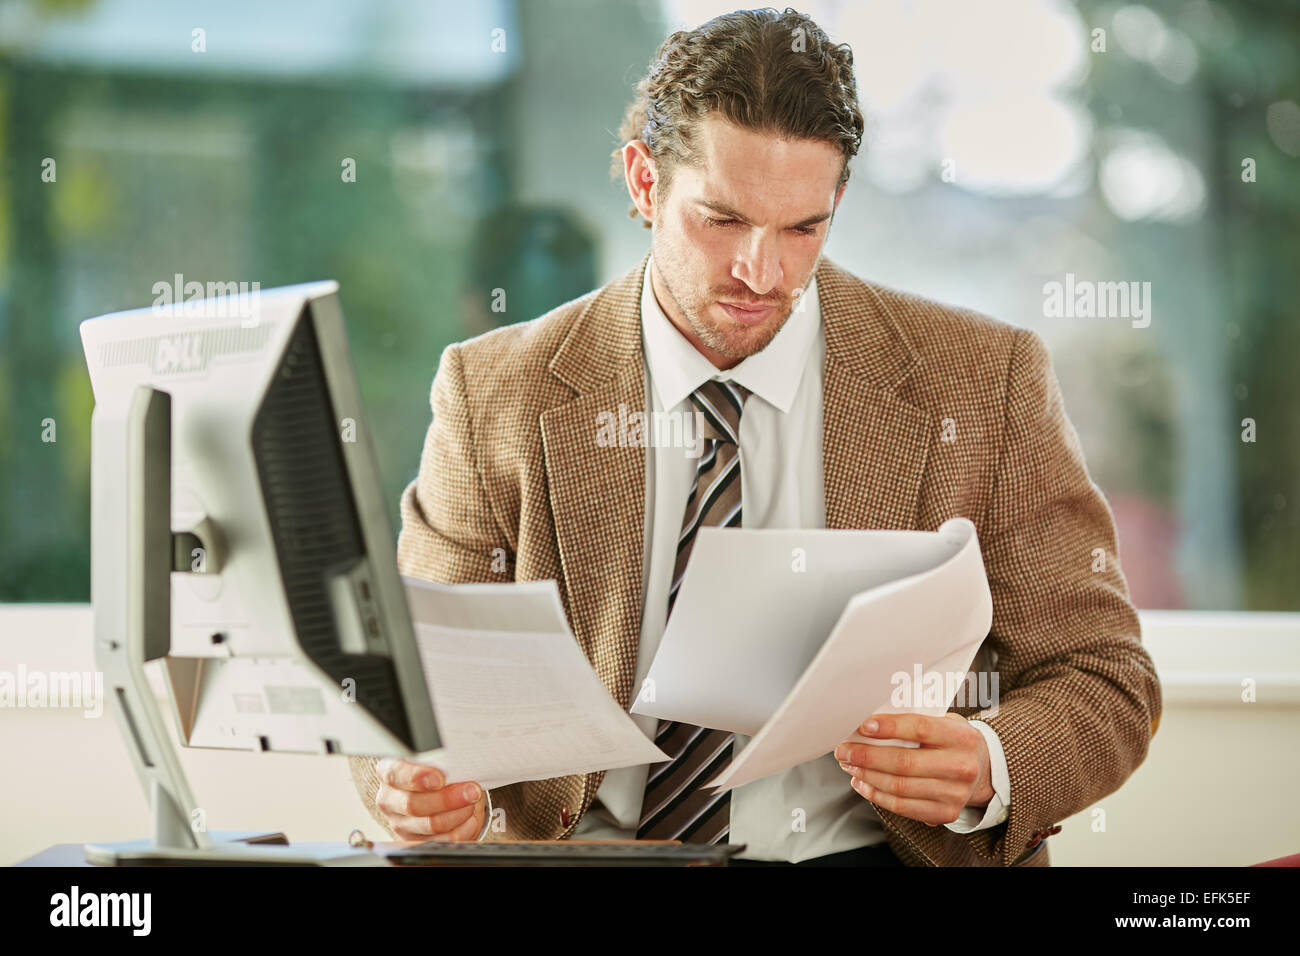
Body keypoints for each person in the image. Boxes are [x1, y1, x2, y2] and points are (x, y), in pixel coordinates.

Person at [348, 7, 1161, 866]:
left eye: (802, 228)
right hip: (592, 858)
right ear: (643, 182)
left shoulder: (984, 381)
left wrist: (989, 764)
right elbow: (409, 688)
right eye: (723, 219)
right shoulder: (495, 393)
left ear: (837, 200)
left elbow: (1105, 675)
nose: (759, 272)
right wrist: (416, 784)